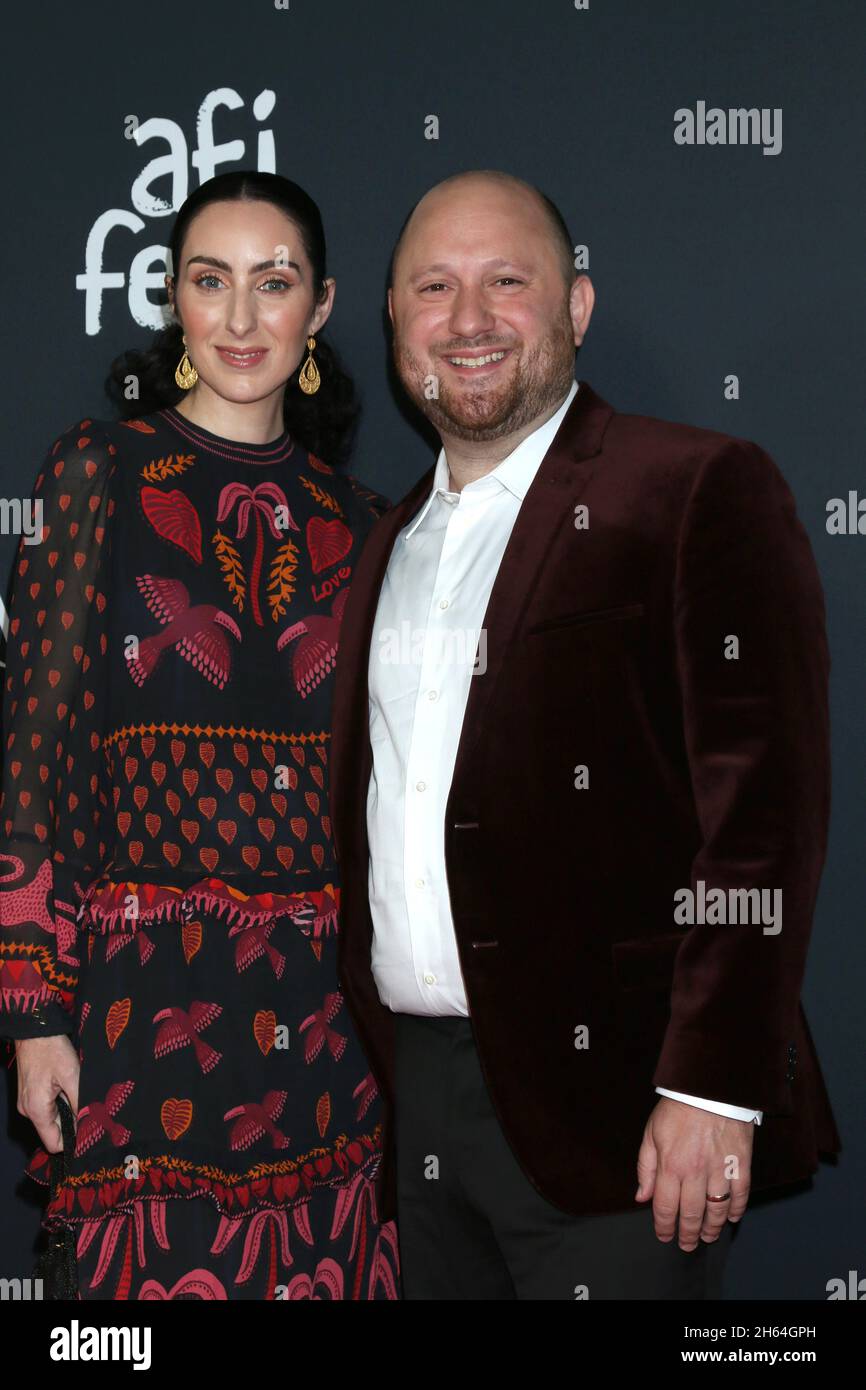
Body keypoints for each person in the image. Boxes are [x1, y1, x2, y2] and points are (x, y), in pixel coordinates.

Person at [328, 169, 841, 1299]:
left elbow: (761, 818)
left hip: (622, 1117)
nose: (466, 321)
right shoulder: (387, 539)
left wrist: (711, 1087)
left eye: (505, 281)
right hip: (418, 1102)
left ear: (577, 306)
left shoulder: (695, 487)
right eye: (433, 288)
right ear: (392, 322)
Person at [0, 169, 401, 1301]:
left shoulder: (366, 524)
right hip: (141, 1009)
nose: (238, 319)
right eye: (208, 280)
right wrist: (33, 1012)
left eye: (272, 284)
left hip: (326, 1021)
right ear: (172, 298)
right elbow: (33, 765)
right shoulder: (99, 474)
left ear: (318, 310)